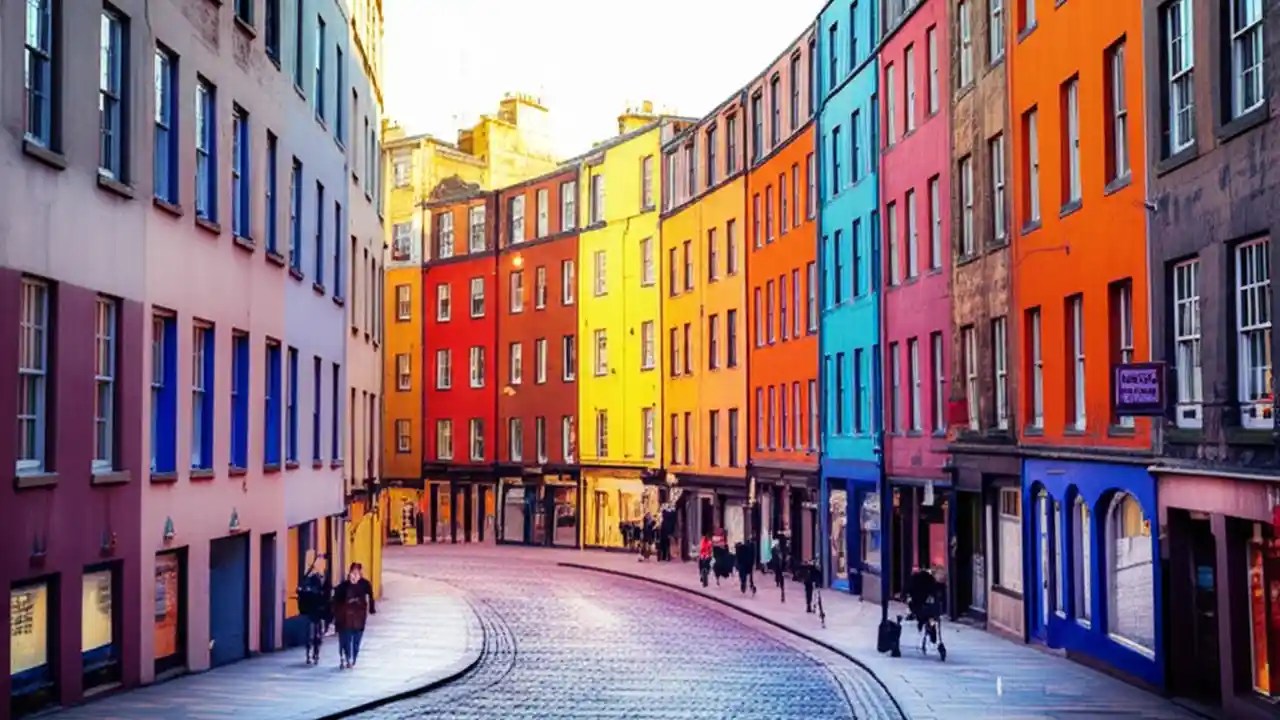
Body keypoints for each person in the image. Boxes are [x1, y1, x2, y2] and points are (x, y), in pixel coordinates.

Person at [332, 563, 376, 669]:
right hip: (345, 617)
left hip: (359, 617)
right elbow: (335, 600)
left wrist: (371, 608)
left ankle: (353, 658)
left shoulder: (365, 584)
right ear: (350, 573)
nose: (355, 575)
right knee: (346, 638)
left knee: (356, 639)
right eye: (353, 573)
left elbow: (371, 596)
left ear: (360, 573)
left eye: (357, 573)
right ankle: (347, 658)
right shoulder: (343, 586)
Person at [296, 564, 330, 665]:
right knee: (315, 636)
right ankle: (314, 654)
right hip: (316, 614)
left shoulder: (310, 587)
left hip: (313, 614)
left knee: (312, 636)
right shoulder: (319, 587)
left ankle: (311, 654)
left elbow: (302, 594)